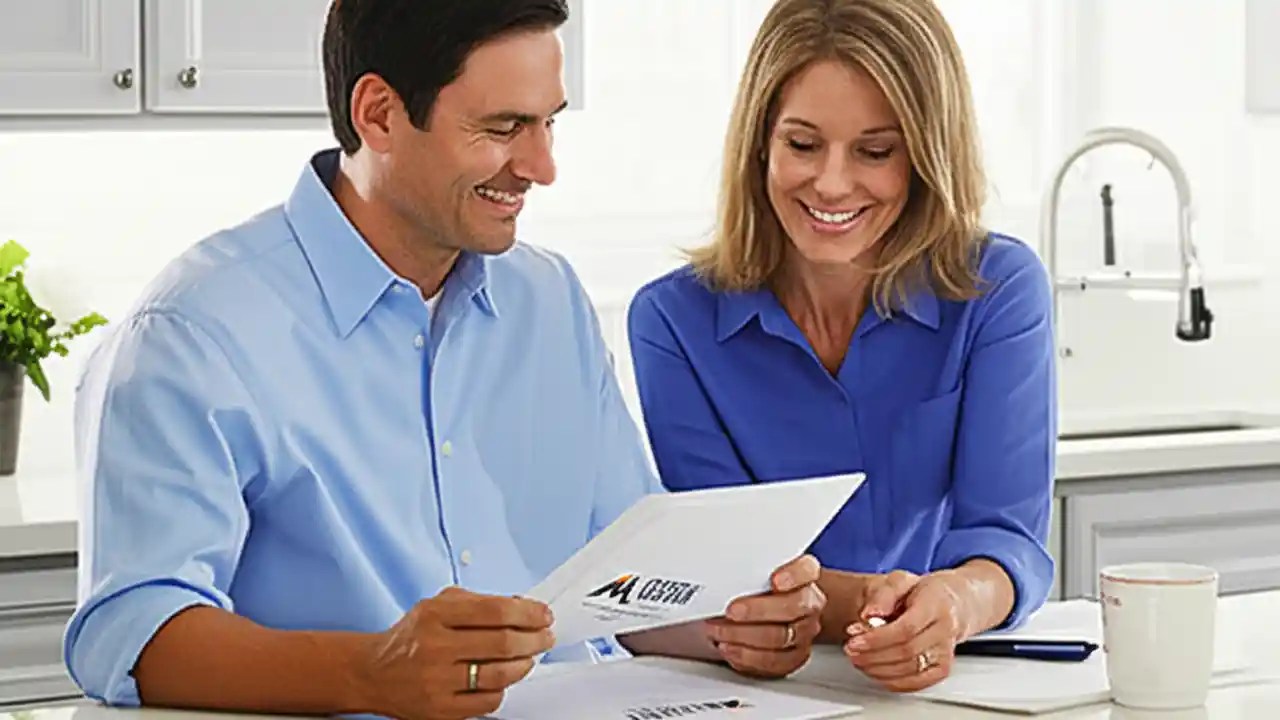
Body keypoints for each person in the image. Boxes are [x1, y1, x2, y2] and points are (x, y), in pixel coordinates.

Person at [63, 2, 825, 718]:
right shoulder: (195, 330)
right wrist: (369, 672)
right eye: (502, 128)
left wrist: (728, 625)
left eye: (549, 124)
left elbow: (624, 587)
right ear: (380, 115)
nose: (541, 165)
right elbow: (131, 629)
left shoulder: (548, 297)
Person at [627, 0, 1056, 693]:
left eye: (875, 151)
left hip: (941, 680)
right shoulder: (671, 321)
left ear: (926, 153)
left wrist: (952, 605)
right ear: (760, 142)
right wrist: (882, 605)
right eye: (802, 145)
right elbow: (731, 566)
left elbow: (1007, 540)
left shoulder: (996, 290)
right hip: (760, 691)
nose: (831, 183)